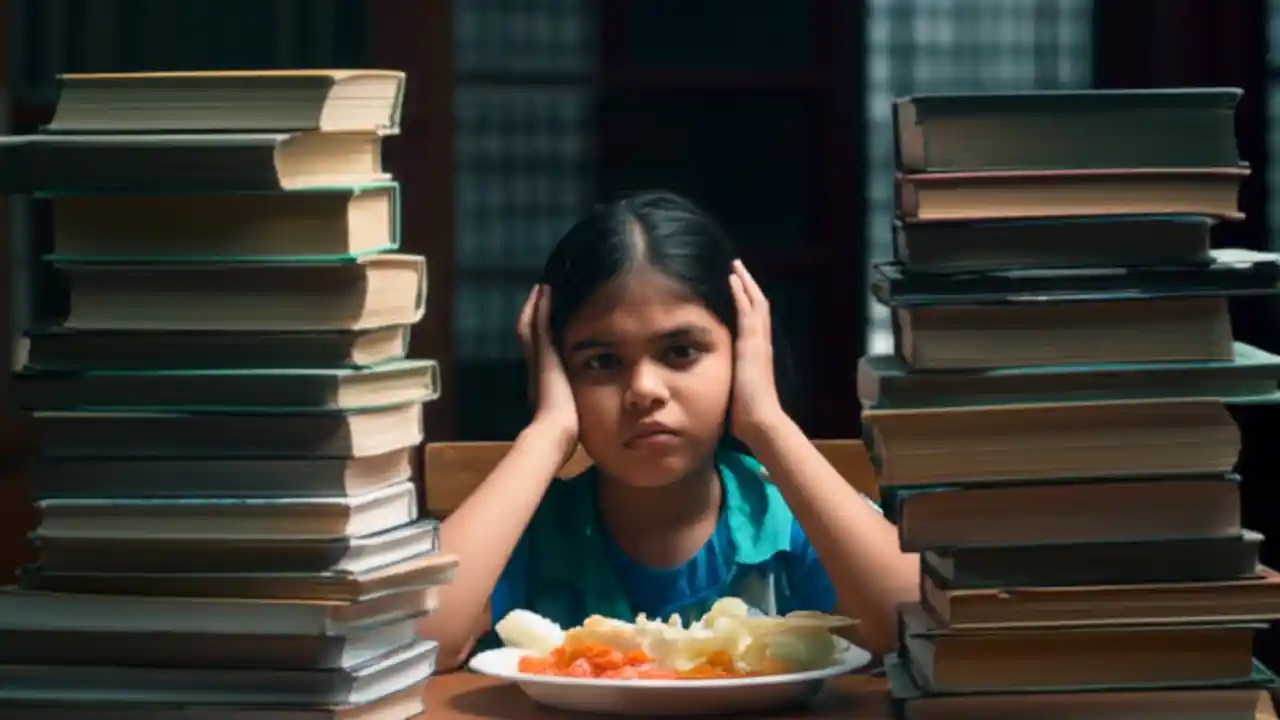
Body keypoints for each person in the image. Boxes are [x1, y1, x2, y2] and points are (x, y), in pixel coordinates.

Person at [422, 190, 919, 670]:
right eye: (602, 361)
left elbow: (917, 629)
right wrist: (547, 432)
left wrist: (767, 422)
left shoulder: (789, 520)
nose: (643, 389)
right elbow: (418, 643)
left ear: (743, 354)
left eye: (680, 352)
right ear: (558, 375)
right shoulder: (533, 534)